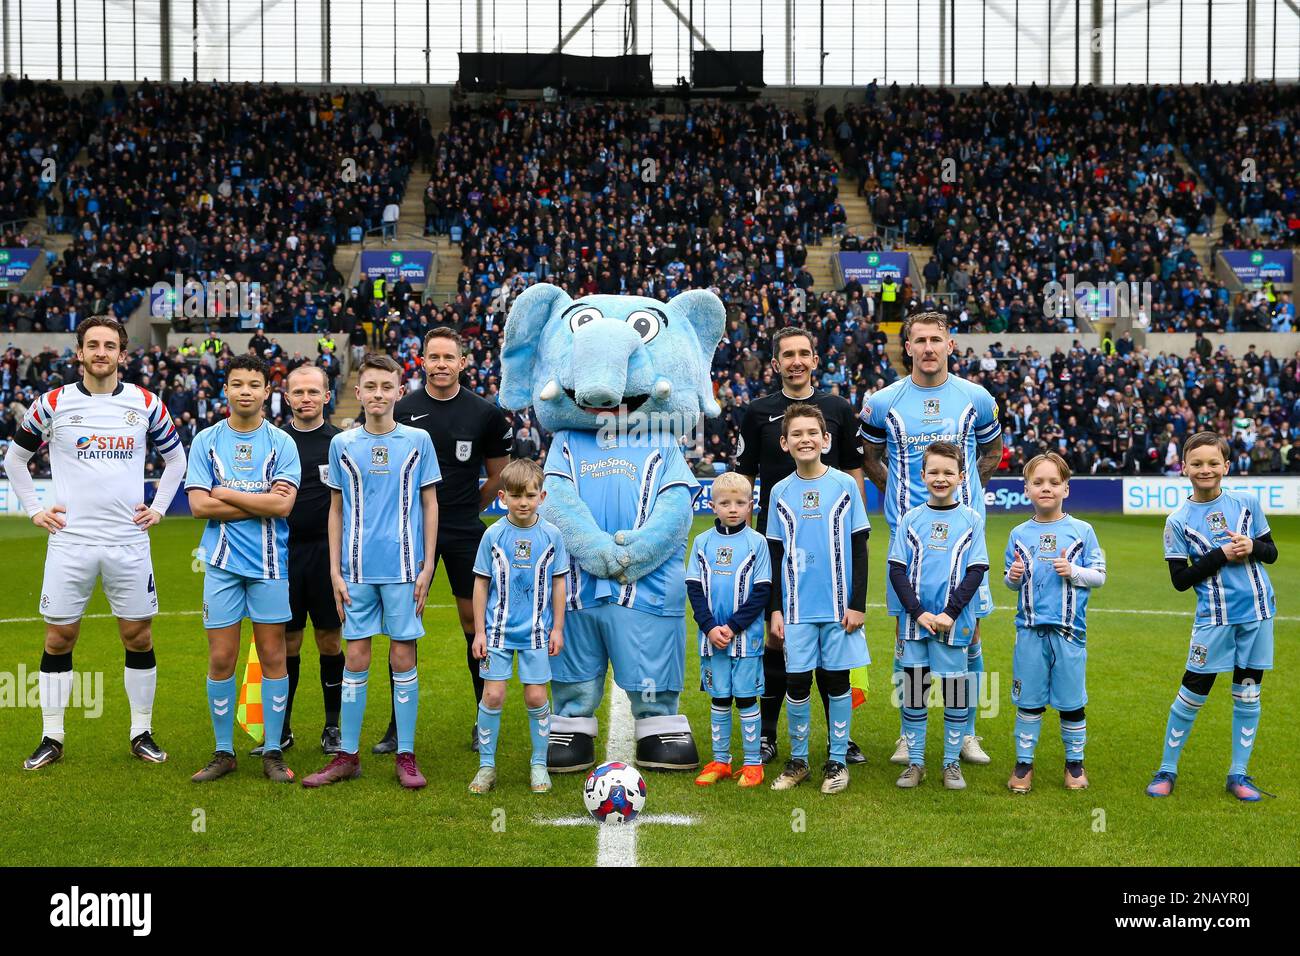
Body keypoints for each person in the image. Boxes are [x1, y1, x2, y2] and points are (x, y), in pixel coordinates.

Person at [6, 316, 186, 770]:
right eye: (92, 345)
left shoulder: (146, 403)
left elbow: (176, 459)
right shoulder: (51, 403)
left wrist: (160, 507)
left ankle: (141, 732)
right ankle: (52, 736)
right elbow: (16, 459)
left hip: (128, 540)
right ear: (80, 353)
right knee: (59, 636)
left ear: (122, 354)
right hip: (71, 542)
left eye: (109, 345)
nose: (101, 351)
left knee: (138, 635)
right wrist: (34, 509)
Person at [858, 310, 1002, 766]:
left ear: (950, 344)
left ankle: (966, 734)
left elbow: (993, 450)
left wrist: (965, 494)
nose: (927, 348)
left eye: (935, 339)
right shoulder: (884, 401)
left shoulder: (976, 397)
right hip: (909, 543)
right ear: (907, 347)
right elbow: (871, 456)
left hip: (964, 541)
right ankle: (909, 736)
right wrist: (902, 505)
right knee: (908, 642)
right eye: (918, 340)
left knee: (970, 635)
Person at [303, 355, 441, 790]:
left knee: (402, 656)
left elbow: (429, 504)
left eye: (387, 386)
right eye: (370, 387)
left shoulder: (418, 440)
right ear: (357, 393)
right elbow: (336, 510)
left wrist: (427, 564)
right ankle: (348, 755)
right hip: (356, 571)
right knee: (356, 656)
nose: (378, 394)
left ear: (399, 392)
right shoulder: (342, 445)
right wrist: (335, 572)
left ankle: (407, 755)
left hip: (403, 570)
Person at [373, 326, 511, 754]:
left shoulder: (486, 414)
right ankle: (397, 726)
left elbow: (500, 474)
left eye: (449, 358)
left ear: (462, 363)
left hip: (464, 530)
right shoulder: (404, 408)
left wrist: (471, 504)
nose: (441, 365)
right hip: (410, 531)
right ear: (422, 361)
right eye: (433, 357)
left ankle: (481, 717)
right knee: (403, 627)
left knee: (475, 623)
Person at [735, 327, 866, 766]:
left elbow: (852, 468)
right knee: (777, 639)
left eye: (803, 354)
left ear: (815, 359)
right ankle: (770, 735)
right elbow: (745, 477)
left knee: (836, 640)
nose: (796, 361)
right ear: (776, 363)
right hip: (777, 539)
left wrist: (853, 529)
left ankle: (839, 741)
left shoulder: (838, 409)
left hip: (827, 538)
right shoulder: (756, 412)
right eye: (787, 354)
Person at [185, 354, 301, 783]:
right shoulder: (206, 441)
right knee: (221, 658)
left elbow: (283, 504)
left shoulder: (282, 443)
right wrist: (257, 503)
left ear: (267, 391)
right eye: (238, 384)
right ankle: (223, 751)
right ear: (226, 389)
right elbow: (198, 506)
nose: (246, 391)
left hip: (270, 564)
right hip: (221, 566)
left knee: (273, 655)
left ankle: (272, 751)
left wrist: (225, 492)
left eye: (254, 384)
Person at [1146, 432, 1279, 803]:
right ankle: (1167, 769)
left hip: (1257, 613)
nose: (1206, 469)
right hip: (1213, 620)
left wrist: (1253, 546)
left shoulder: (1248, 503)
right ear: (1183, 467)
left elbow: (1272, 553)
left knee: (1248, 695)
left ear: (1227, 466)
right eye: (1197, 463)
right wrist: (1220, 554)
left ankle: (1238, 774)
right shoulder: (1177, 521)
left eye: (1213, 463)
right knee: (1191, 694)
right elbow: (1179, 581)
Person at [765, 404, 870, 795]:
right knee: (796, 682)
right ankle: (798, 762)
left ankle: (837, 761)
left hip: (839, 607)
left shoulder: (844, 485)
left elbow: (860, 546)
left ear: (826, 440)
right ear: (784, 442)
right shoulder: (780, 492)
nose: (805, 439)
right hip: (795, 609)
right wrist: (775, 607)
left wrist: (857, 603)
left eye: (813, 432)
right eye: (797, 434)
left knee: (836, 680)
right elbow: (775, 554)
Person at [886, 441, 989, 791]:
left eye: (948, 472)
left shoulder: (971, 520)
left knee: (955, 693)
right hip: (916, 624)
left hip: (953, 623)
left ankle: (950, 763)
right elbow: (897, 570)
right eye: (934, 472)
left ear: (962, 477)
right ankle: (915, 763)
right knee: (914, 693)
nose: (940, 478)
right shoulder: (910, 519)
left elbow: (976, 570)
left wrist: (949, 612)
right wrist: (917, 612)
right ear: (922, 475)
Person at [254, 364, 344, 757]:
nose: (305, 399)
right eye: (298, 392)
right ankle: (282, 728)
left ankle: (332, 727)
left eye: (313, 392)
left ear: (327, 396)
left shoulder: (342, 442)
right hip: (281, 556)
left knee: (329, 640)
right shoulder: (273, 441)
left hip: (328, 556)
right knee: (285, 643)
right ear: (285, 397)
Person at [1003, 452, 1107, 793]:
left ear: (1066, 488)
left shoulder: (1082, 530)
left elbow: (1099, 576)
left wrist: (1073, 571)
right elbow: (1010, 580)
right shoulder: (1018, 532)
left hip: (1069, 632)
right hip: (1030, 631)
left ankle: (1074, 764)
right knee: (1028, 700)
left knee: (1071, 700)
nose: (1045, 488)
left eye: (1053, 482)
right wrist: (1013, 576)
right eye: (1038, 483)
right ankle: (1024, 764)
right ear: (1027, 489)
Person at [467, 459, 568, 795]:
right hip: (497, 632)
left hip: (537, 632)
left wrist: (557, 629)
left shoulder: (552, 535)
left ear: (542, 496)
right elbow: (481, 584)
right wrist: (480, 631)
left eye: (529, 495)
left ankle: (539, 764)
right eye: (515, 495)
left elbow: (558, 584)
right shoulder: (492, 534)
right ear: (502, 496)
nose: (523, 502)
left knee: (536, 695)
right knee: (493, 695)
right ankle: (486, 767)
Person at [686, 471, 772, 788]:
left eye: (739, 502)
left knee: (747, 698)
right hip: (712, 640)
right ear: (712, 505)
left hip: (746, 641)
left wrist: (733, 627)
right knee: (720, 699)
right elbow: (694, 589)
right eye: (725, 503)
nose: (733, 508)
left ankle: (752, 765)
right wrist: (710, 627)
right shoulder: (702, 542)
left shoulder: (757, 543)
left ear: (751, 505)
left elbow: (762, 591)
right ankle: (721, 761)